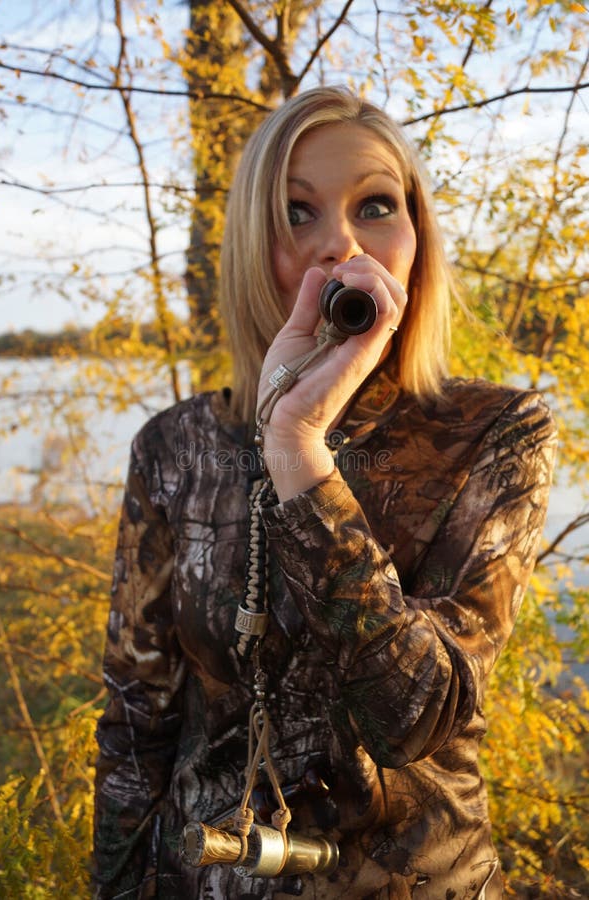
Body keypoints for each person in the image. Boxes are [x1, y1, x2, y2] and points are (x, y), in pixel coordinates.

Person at [93, 86, 557, 899]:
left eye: (376, 205)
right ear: (252, 245)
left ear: (417, 240)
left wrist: (298, 448)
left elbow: (418, 715)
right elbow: (138, 725)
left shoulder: (496, 431)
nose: (340, 243)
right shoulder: (174, 447)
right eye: (297, 213)